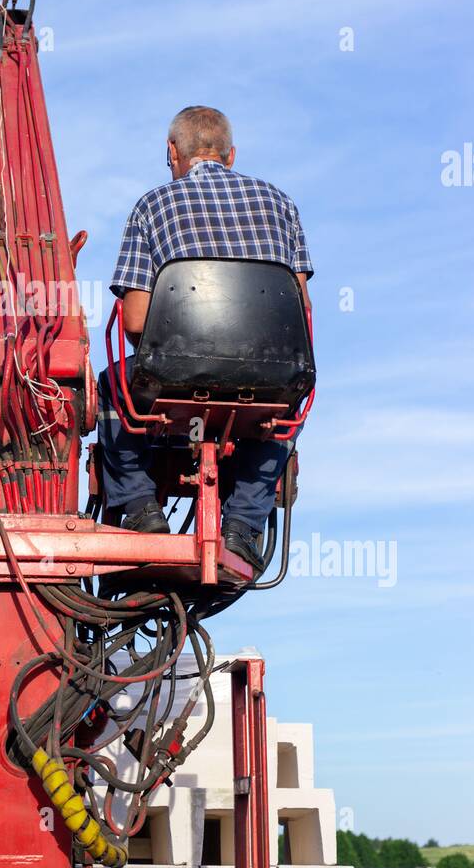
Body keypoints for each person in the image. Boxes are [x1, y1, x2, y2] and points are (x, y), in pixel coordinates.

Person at [98, 105, 313, 571]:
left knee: (112, 383)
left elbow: (134, 320)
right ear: (230, 155)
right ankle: (243, 525)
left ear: (172, 152)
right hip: (270, 372)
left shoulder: (152, 205)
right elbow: (299, 308)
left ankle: (139, 509)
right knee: (279, 399)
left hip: (173, 374)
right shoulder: (281, 203)